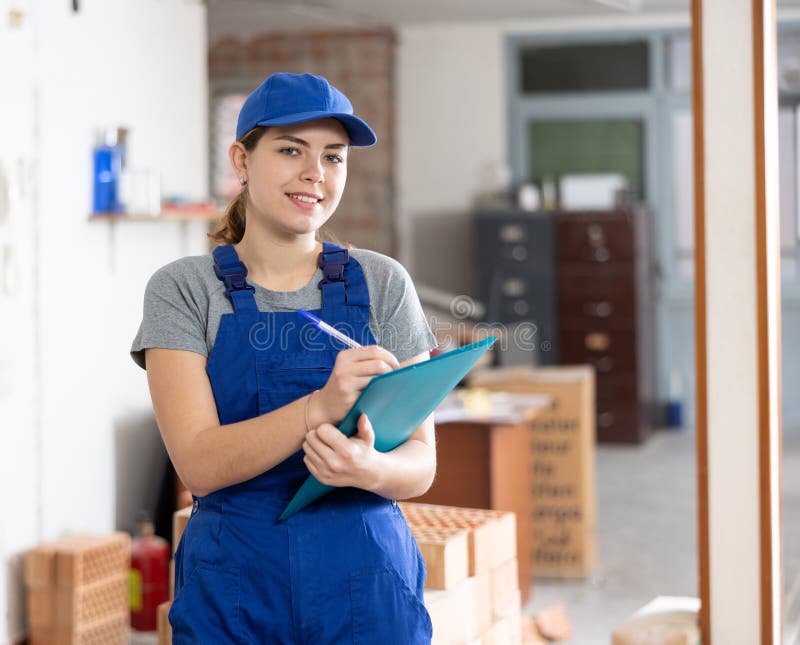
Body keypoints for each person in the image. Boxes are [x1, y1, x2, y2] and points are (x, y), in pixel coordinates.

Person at [130, 72, 437, 644]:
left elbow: (422, 463)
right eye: (291, 150)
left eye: (333, 156)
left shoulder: (382, 283)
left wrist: (370, 470)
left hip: (366, 588)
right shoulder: (184, 289)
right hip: (235, 593)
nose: (314, 174)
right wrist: (319, 407)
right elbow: (198, 464)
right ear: (241, 161)